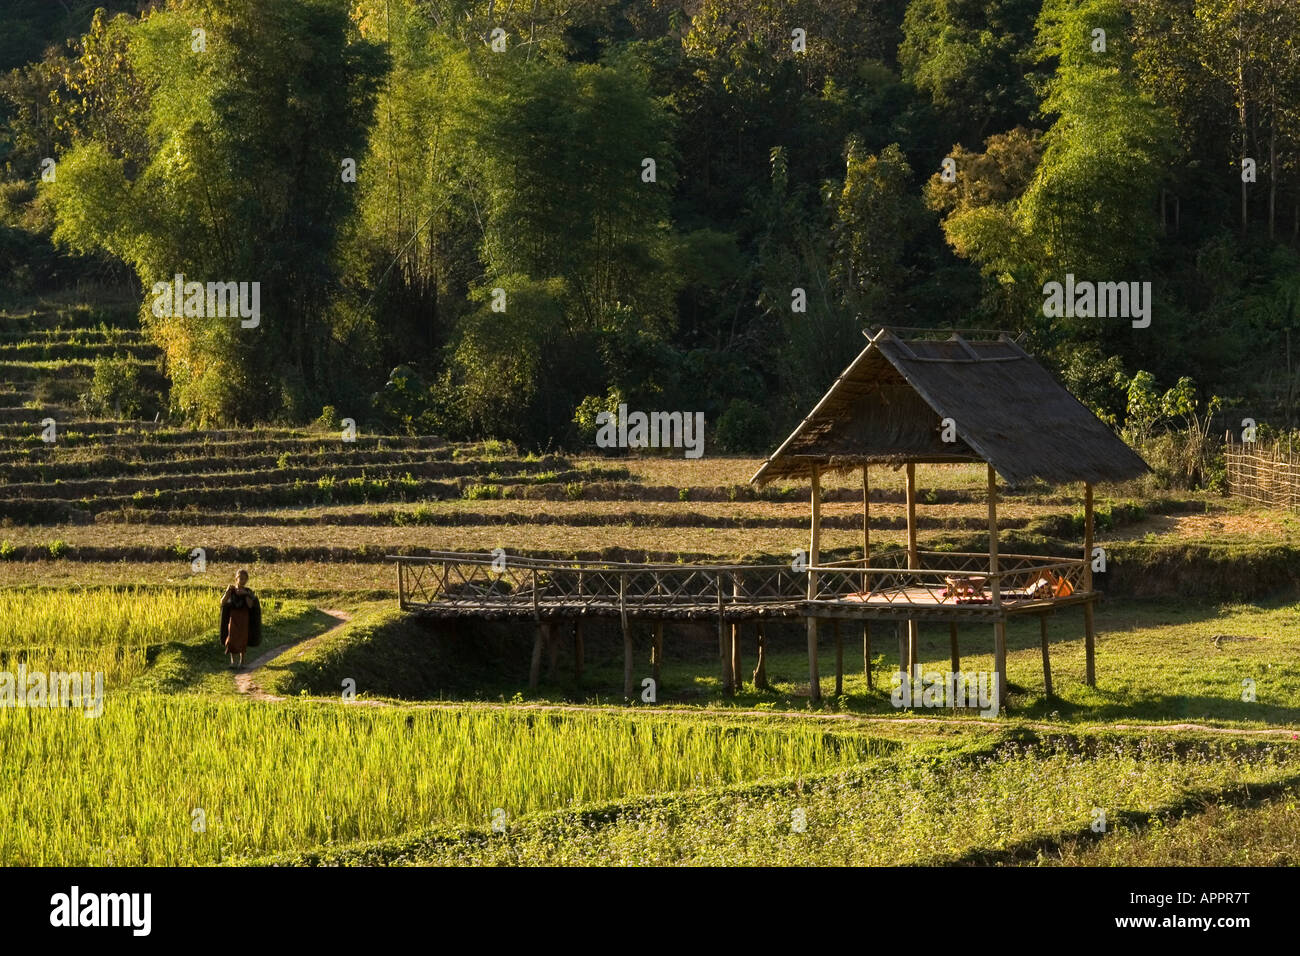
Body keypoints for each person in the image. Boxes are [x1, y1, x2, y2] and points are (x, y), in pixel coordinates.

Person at [219, 569, 262, 670]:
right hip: (233, 618)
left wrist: (245, 594)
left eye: (244, 579)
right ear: (236, 579)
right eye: (240, 578)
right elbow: (222, 602)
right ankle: (233, 662)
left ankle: (242, 662)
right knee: (231, 638)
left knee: (243, 638)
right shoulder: (231, 591)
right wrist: (227, 591)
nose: (242, 580)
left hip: (244, 618)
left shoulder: (248, 592)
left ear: (247, 580)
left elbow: (250, 605)